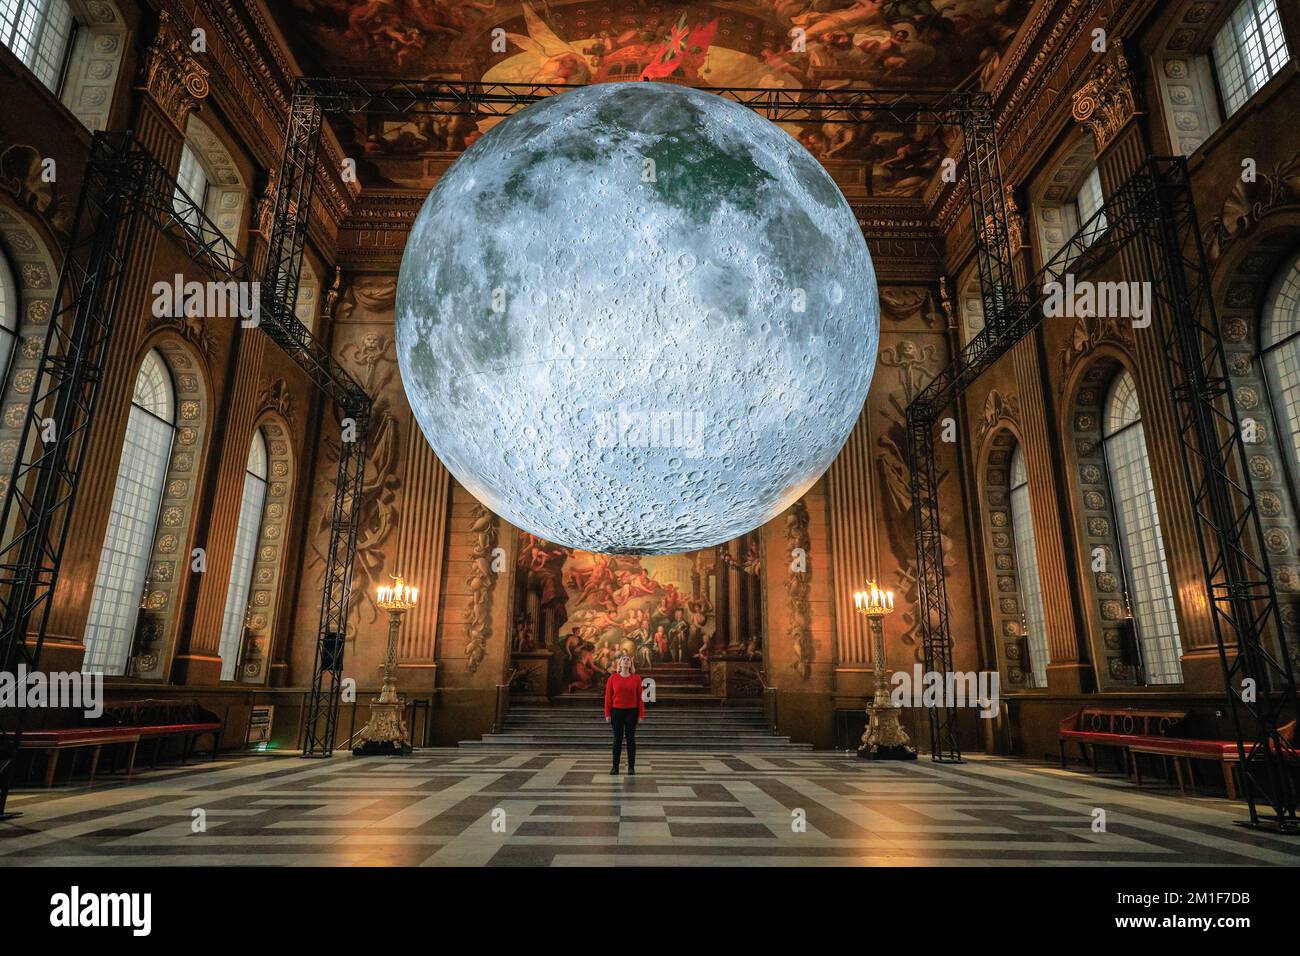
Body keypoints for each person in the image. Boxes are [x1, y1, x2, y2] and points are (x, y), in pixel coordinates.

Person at [604, 653, 645, 775]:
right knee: (617, 739)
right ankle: (615, 767)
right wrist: (607, 713)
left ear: (631, 664)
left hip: (632, 711)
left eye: (628, 660)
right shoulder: (613, 678)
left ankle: (631, 767)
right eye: (624, 659)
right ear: (620, 663)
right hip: (616, 711)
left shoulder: (636, 678)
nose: (626, 661)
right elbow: (608, 697)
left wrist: (641, 714)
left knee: (630, 739)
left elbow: (640, 698)